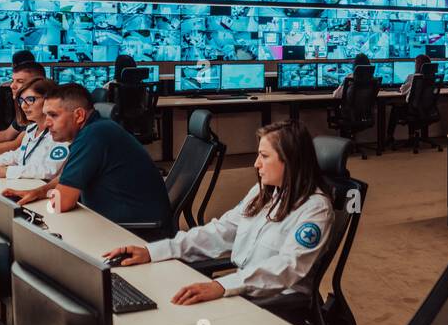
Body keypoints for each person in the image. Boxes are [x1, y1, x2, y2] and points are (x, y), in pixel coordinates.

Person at [102, 121, 334, 307]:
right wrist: (153, 251)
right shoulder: (265, 192)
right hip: (244, 291)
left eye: (264, 156)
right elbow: (220, 231)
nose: (255, 164)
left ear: (290, 160)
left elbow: (286, 268)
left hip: (277, 303)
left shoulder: (315, 209)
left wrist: (223, 286)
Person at [2, 83, 171, 226]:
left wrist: (38, 205)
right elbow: (66, 179)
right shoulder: (96, 129)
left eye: (53, 115)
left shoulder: (93, 136)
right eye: (46, 115)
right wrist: (37, 192)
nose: (46, 123)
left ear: (79, 115)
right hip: (111, 221)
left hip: (133, 233)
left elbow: (61, 203)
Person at [0, 78, 68, 180]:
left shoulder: (61, 134)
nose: (23, 106)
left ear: (48, 100)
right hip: (25, 183)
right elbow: (19, 155)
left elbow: (49, 171)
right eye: (21, 101)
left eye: (30, 99)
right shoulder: (31, 129)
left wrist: (8, 171)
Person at [0, 61, 48, 157]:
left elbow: (15, 146)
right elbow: (7, 135)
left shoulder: (39, 109)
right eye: (12, 80)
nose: (12, 86)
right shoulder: (24, 105)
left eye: (20, 81)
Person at [386, 54, 432, 139]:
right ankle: (412, 137)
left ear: (418, 65)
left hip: (413, 110)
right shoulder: (432, 79)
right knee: (411, 105)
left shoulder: (413, 77)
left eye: (415, 63)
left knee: (396, 108)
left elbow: (403, 91)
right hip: (427, 110)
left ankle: (389, 137)